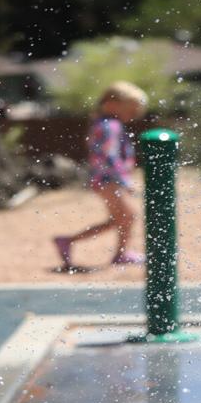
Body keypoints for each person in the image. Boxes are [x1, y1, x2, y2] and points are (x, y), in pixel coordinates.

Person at [54, 82, 147, 272]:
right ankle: (121, 253)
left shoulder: (103, 123)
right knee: (129, 216)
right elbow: (108, 155)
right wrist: (125, 181)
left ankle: (68, 241)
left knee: (120, 218)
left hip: (104, 179)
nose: (131, 116)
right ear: (112, 105)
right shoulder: (110, 126)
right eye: (130, 111)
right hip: (109, 180)